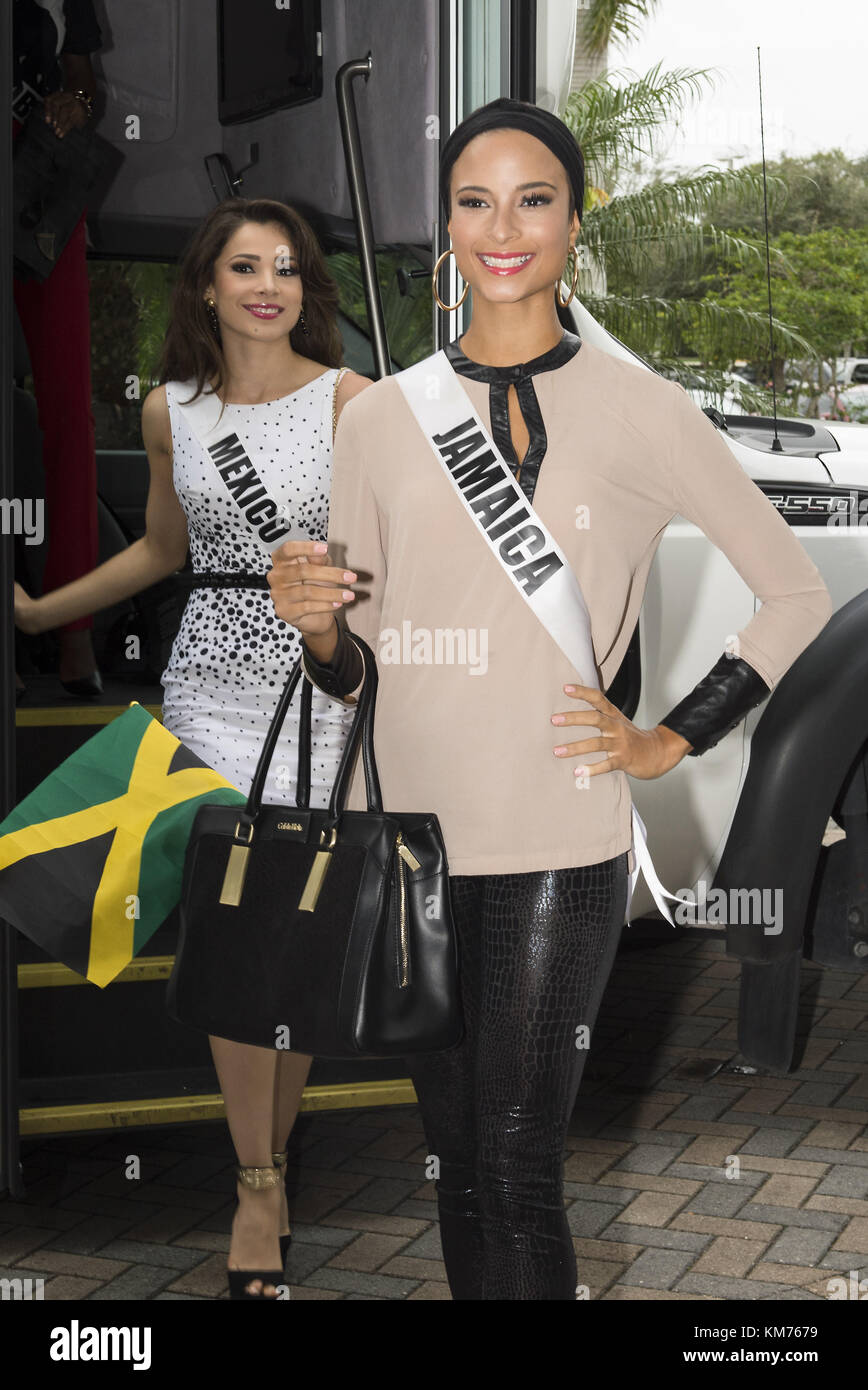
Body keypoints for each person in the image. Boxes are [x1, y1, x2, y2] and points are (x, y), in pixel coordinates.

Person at [266, 99, 832, 1301]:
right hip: (407, 838)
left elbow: (791, 593)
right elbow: (353, 668)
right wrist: (317, 629)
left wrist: (672, 736)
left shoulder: (644, 409)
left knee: (518, 1163)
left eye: (533, 199)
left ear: (578, 218)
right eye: (475, 201)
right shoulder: (375, 417)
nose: (502, 228)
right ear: (447, 227)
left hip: (554, 837)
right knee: (458, 1162)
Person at [14, 196, 371, 1298]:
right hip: (210, 691)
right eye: (243, 266)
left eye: (287, 269)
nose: (268, 285)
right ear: (206, 286)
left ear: (307, 290)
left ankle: (268, 1164)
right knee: (228, 945)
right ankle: (257, 1182)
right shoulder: (174, 409)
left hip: (320, 688)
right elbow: (167, 548)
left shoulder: (356, 404)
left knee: (293, 945)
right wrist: (44, 617)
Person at [12, 0, 104, 697]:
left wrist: (75, 102)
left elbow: (83, 83)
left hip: (40, 177)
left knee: (69, 405)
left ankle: (73, 625)